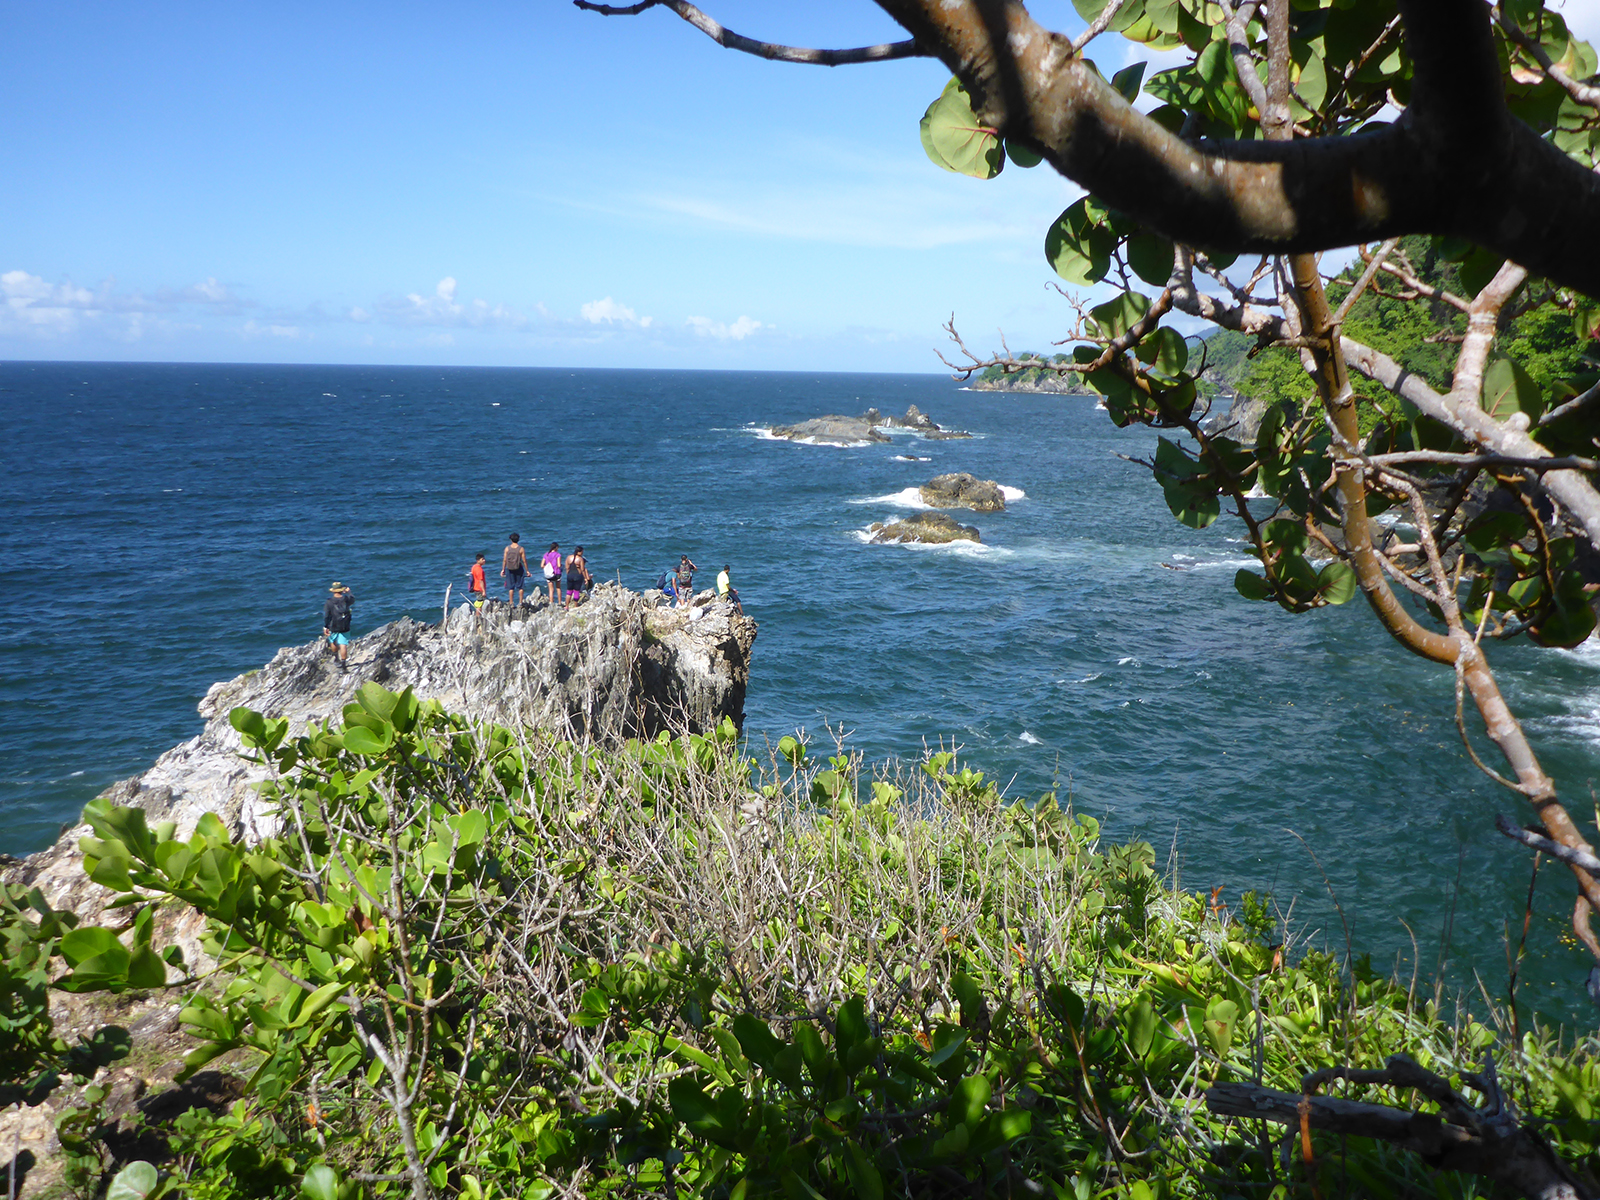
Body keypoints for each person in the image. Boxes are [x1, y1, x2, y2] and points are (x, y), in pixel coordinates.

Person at [322, 582, 355, 668]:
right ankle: (344, 665)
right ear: (341, 590)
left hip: (334, 625)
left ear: (333, 591)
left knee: (333, 641)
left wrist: (326, 626)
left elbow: (326, 616)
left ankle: (336, 658)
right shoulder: (346, 600)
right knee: (343, 644)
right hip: (345, 625)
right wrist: (349, 592)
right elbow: (353, 599)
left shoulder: (329, 602)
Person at [502, 533, 528, 607]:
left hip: (509, 569)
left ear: (511, 539)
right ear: (518, 539)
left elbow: (504, 560)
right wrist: (527, 570)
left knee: (511, 587)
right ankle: (520, 602)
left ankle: (511, 602)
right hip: (518, 568)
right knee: (520, 586)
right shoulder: (521, 549)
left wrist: (503, 569)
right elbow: (524, 560)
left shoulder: (507, 548)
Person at [564, 545, 590, 610]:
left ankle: (566, 606)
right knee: (576, 591)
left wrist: (568, 574)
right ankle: (575, 606)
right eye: (582, 552)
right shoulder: (580, 559)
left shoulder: (568, 557)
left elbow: (567, 568)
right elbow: (582, 569)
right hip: (577, 576)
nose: (582, 553)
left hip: (570, 575)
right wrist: (585, 578)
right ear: (579, 552)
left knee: (569, 592)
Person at [541, 542, 562, 607]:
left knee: (551, 589)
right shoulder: (558, 555)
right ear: (556, 548)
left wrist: (548, 568)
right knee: (558, 588)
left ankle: (551, 602)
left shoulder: (546, 555)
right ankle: (559, 602)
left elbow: (542, 565)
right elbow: (558, 565)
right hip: (556, 573)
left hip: (549, 574)